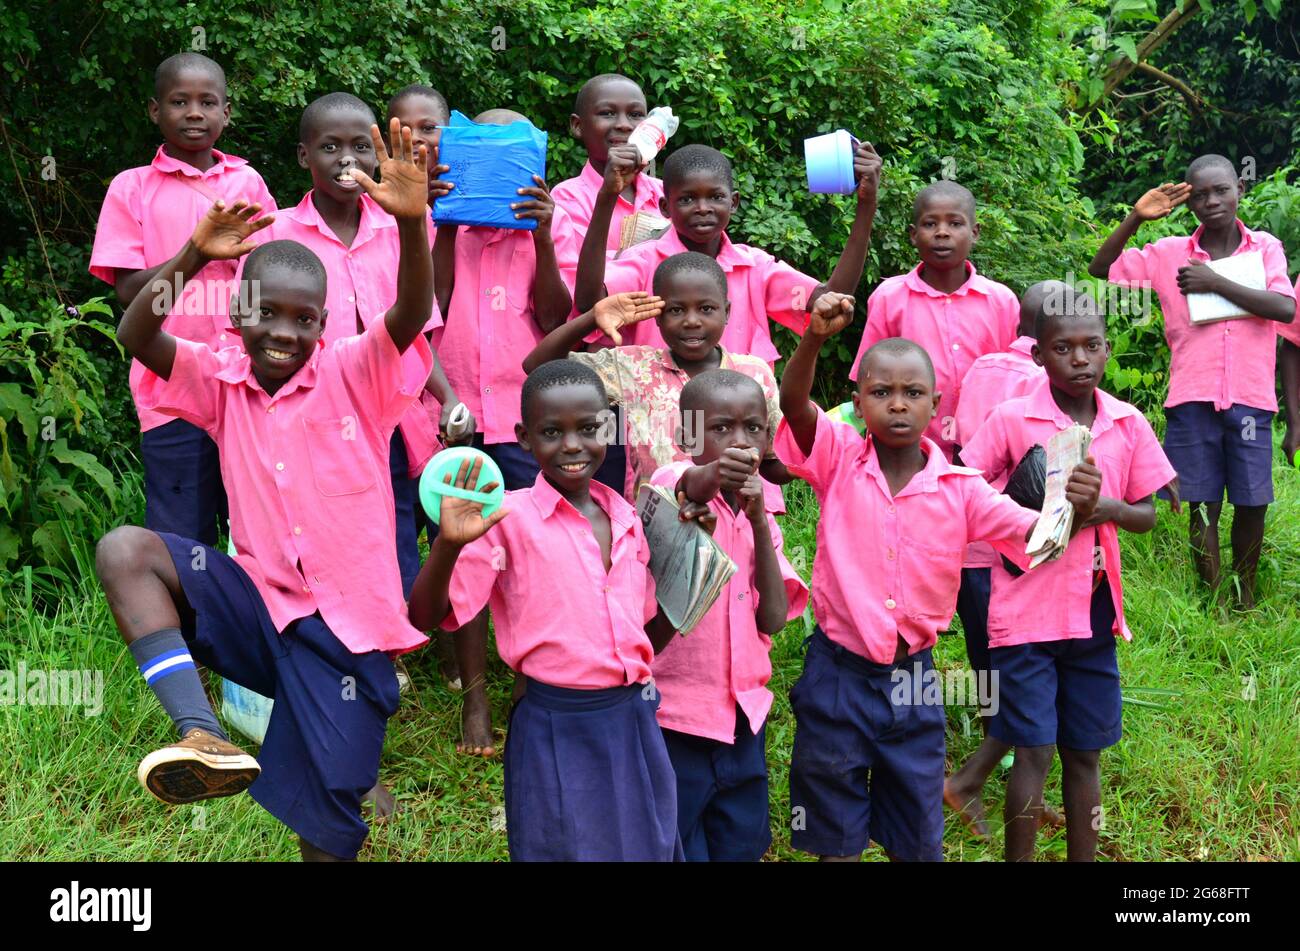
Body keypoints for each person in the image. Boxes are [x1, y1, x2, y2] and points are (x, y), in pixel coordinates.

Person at [94, 118, 437, 862]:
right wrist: (191, 254)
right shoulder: (220, 378)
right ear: (236, 313)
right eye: (264, 312)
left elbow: (409, 316)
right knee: (125, 549)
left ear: (324, 322)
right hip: (259, 605)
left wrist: (412, 227)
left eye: (302, 318)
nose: (282, 330)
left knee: (327, 822)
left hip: (346, 633)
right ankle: (203, 732)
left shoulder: (356, 372)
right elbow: (136, 335)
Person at [773, 292, 1101, 861]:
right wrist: (814, 337)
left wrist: (1076, 502)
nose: (897, 405)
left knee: (918, 828)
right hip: (837, 670)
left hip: (914, 677)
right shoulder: (839, 461)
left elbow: (1039, 538)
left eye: (912, 394)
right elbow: (794, 404)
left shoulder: (963, 489)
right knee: (834, 825)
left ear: (936, 403)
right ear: (858, 403)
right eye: (881, 393)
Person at [408, 360, 680, 861]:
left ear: (609, 427)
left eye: (589, 428)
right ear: (524, 438)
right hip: (554, 721)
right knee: (561, 844)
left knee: (644, 843)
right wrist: (447, 546)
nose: (573, 445)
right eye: (552, 432)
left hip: (631, 717)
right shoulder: (506, 519)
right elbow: (424, 616)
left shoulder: (627, 515)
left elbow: (642, 630)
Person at [961, 290, 1177, 862]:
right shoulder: (1012, 417)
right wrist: (1023, 506)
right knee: (1033, 751)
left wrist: (1104, 509)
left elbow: (1147, 514)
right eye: (1063, 347)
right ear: (1038, 356)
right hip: (1024, 613)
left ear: (1108, 350)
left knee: (1086, 753)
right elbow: (964, 485)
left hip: (1093, 614)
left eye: (1092, 346)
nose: (1079, 359)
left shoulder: (1128, 424)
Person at [1088, 154, 1296, 608]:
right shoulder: (1168, 254)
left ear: (1239, 190)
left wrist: (1213, 282)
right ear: (1190, 204)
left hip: (1251, 399)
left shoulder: (1265, 248)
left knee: (1252, 501)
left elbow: (1284, 309)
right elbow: (1101, 269)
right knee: (1201, 505)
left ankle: (1243, 600)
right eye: (1199, 195)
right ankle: (1214, 603)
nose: (1211, 201)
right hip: (1192, 399)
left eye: (1220, 190)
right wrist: (1134, 218)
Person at [89, 52, 277, 546]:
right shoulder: (131, 188)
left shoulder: (247, 182)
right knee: (182, 536)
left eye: (207, 102)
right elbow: (129, 291)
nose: (194, 112)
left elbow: (271, 272)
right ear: (155, 110)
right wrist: (195, 252)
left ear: (226, 113)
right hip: (168, 389)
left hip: (246, 384)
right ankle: (183, 625)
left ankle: (246, 622)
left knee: (256, 529)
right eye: (179, 101)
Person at [650, 369, 808, 860]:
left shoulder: (763, 511)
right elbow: (689, 484)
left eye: (753, 429)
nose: (740, 442)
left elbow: (774, 619)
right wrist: (715, 476)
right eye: (720, 429)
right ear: (685, 436)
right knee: (676, 838)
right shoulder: (670, 488)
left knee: (740, 839)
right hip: (674, 716)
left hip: (744, 715)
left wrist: (760, 521)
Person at [573, 143, 880, 365]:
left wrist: (866, 205)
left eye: (716, 197)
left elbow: (833, 298)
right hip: (660, 431)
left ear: (733, 202)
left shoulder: (755, 269)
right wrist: (606, 198)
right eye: (688, 199)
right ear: (665, 207)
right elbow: (589, 303)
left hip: (738, 434)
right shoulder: (644, 264)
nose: (703, 208)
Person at [524, 252, 790, 504]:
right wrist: (591, 319)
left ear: (727, 312)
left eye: (707, 309)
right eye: (676, 310)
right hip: (654, 530)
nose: (692, 321)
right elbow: (538, 367)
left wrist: (818, 461)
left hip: (737, 525)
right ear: (658, 317)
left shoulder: (755, 374)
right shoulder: (634, 366)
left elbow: (773, 463)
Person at [848, 180, 1019, 462]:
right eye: (930, 224)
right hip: (908, 452)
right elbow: (869, 377)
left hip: (988, 453)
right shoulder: (890, 298)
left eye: (955, 223)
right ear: (913, 235)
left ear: (974, 232)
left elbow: (1016, 380)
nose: (942, 233)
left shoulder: (1001, 301)